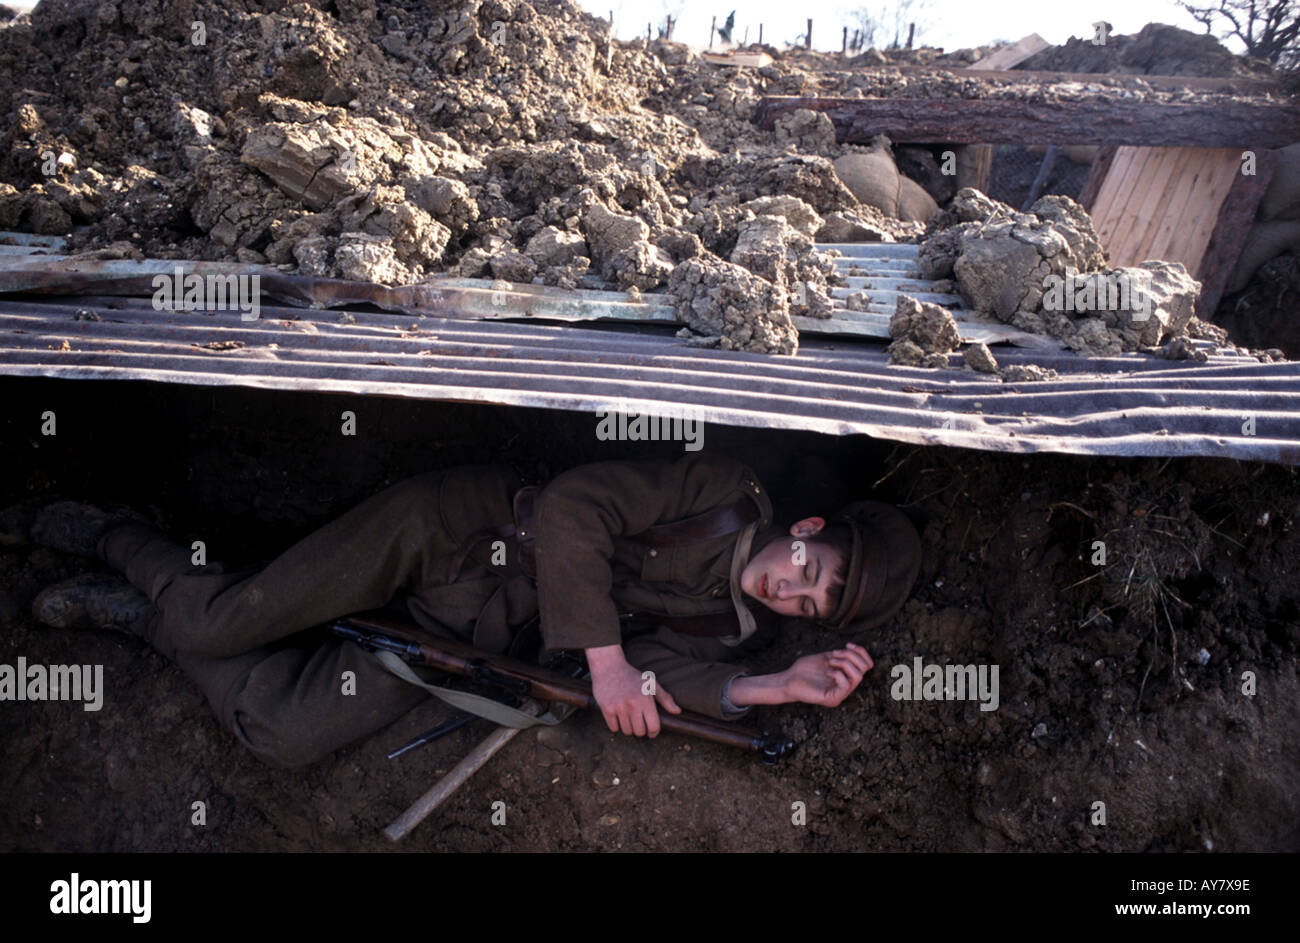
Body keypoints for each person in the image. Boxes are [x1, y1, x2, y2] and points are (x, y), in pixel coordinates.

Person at [10, 452, 922, 767]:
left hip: (471, 631)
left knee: (278, 730)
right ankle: (109, 536)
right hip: (443, 533)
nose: (791, 588)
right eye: (813, 565)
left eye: (811, 605)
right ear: (806, 527)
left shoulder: (737, 632)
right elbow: (574, 509)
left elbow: (654, 667)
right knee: (221, 621)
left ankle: (141, 616)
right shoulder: (722, 490)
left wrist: (771, 686)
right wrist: (604, 662)